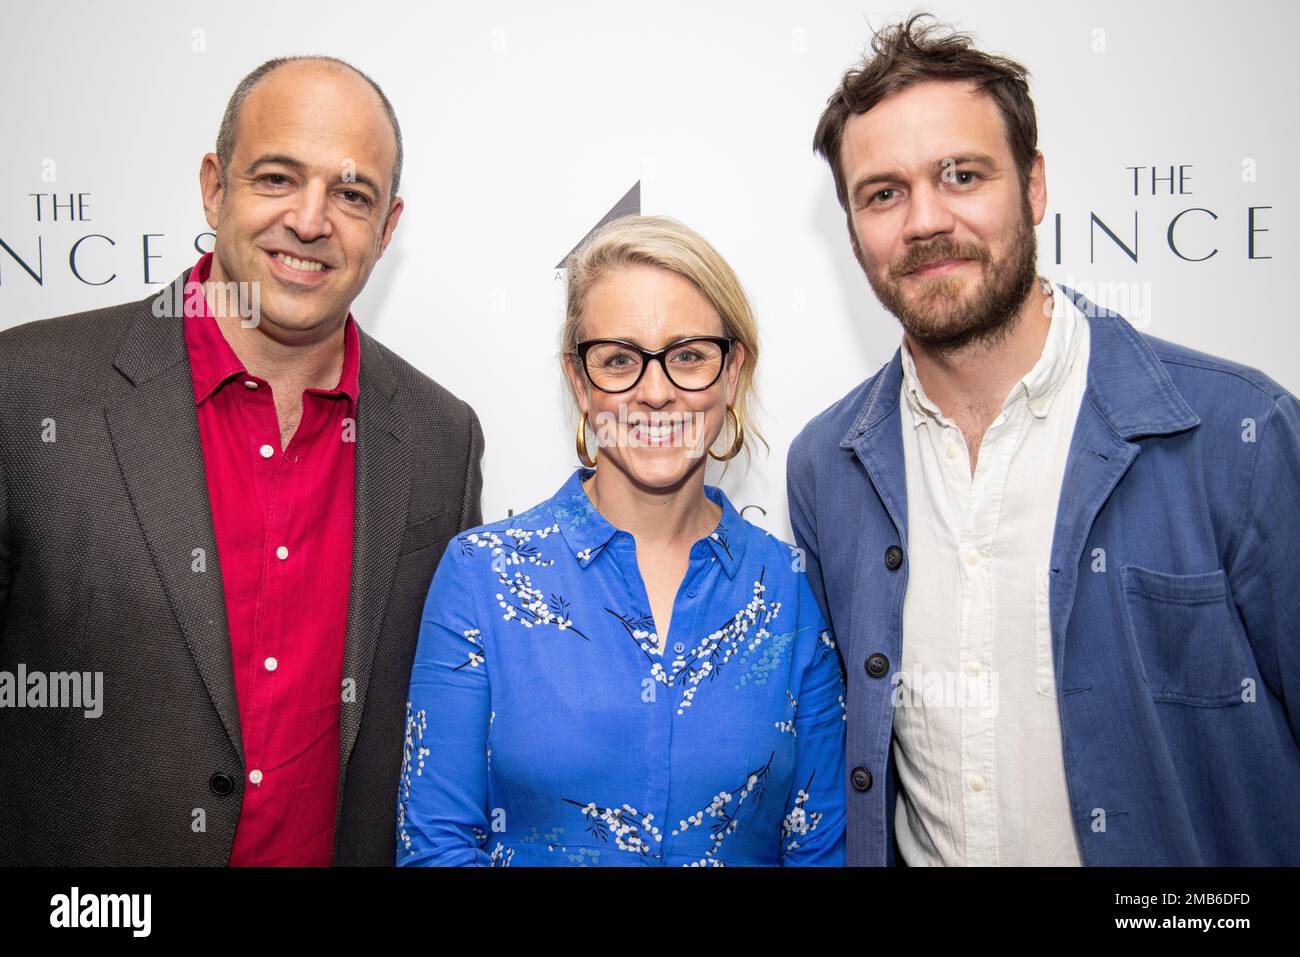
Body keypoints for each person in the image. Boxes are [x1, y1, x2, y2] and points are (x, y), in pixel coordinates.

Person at [788, 13, 1300, 866]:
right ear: (852, 232)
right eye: (883, 193)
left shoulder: (1236, 434)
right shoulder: (826, 465)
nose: (924, 220)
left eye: (961, 174)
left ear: (1033, 187)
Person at [0, 56, 484, 865]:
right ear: (215, 187)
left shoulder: (441, 436)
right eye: (277, 178)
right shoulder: (26, 392)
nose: (309, 219)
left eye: (351, 194)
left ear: (388, 227)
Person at [397, 215, 845, 866]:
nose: (656, 391)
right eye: (619, 360)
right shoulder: (481, 576)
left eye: (689, 355)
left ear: (732, 371)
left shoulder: (788, 589)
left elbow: (821, 849)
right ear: (579, 380)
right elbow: (436, 846)